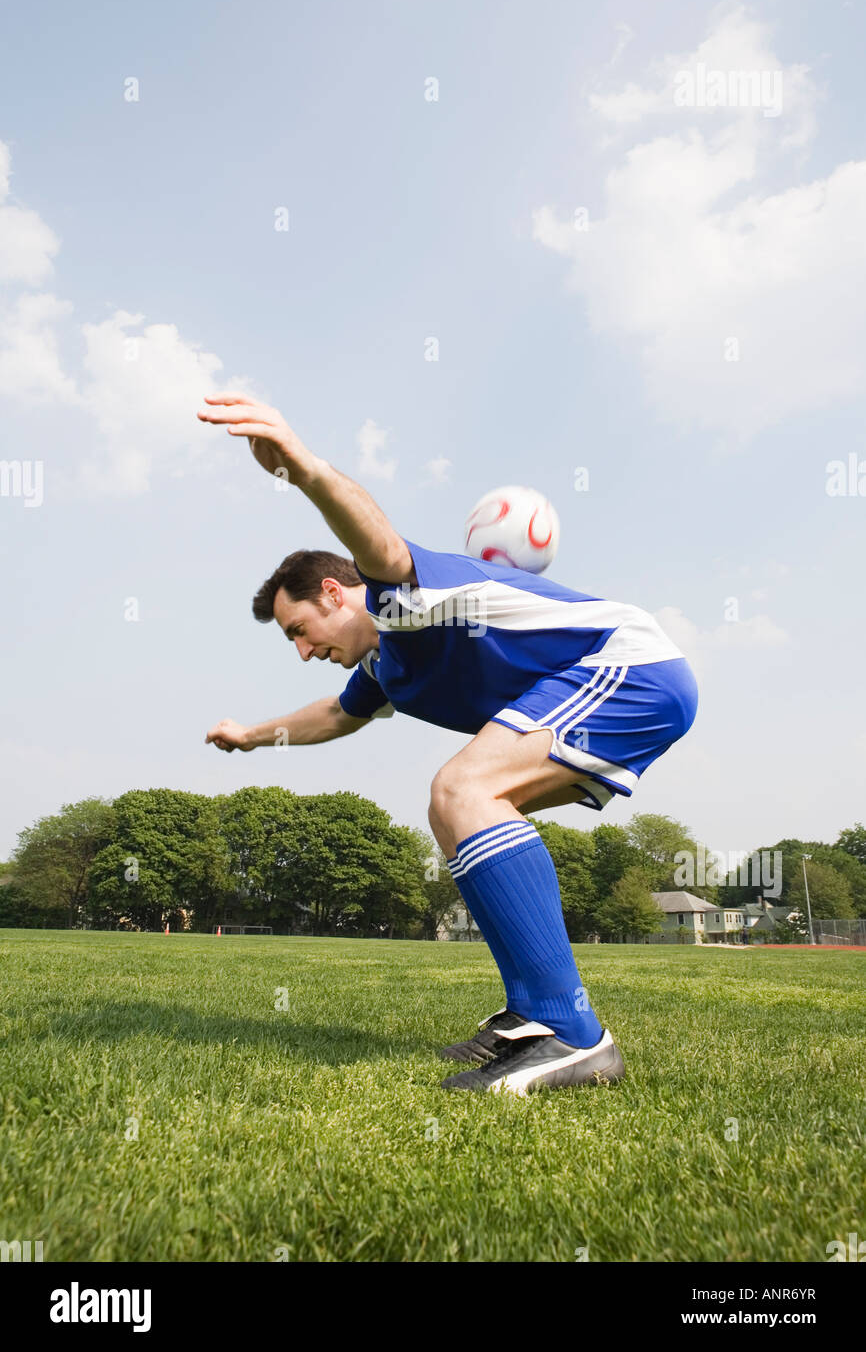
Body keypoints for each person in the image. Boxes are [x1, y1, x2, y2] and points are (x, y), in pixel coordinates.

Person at [199, 393, 699, 1096]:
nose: (304, 651)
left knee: (464, 789)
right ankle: (535, 1015)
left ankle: (575, 1035)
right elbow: (336, 717)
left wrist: (306, 470)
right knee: (455, 809)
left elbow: (382, 545)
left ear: (337, 594)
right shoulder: (385, 667)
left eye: (299, 630)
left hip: (632, 667)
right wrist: (250, 737)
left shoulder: (399, 602)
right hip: (612, 683)